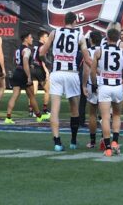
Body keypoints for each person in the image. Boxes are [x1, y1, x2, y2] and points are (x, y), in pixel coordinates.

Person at [39, 12, 92, 151]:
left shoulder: (54, 33)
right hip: (71, 74)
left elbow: (41, 52)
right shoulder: (79, 35)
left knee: (54, 110)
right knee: (74, 109)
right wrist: (98, 70)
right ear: (74, 21)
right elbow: (87, 59)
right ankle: (73, 141)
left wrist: (48, 62)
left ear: (64, 21)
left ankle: (57, 142)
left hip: (56, 73)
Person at [91, 27, 123, 157]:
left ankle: (108, 148)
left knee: (105, 117)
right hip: (117, 87)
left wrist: (94, 84)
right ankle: (115, 142)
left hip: (104, 86)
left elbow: (93, 71)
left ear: (107, 38)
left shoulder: (99, 51)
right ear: (119, 38)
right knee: (117, 115)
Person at [4, 32, 40, 124]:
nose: (32, 39)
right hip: (23, 73)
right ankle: (39, 116)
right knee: (31, 96)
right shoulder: (27, 49)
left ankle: (8, 117)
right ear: (26, 39)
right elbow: (25, 62)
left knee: (15, 95)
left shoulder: (18, 49)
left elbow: (17, 61)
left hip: (17, 72)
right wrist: (29, 77)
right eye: (30, 37)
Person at [82, 30, 103, 149]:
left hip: (92, 82)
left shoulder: (89, 51)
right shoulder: (104, 50)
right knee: (105, 113)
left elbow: (86, 70)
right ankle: (105, 139)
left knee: (92, 113)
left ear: (91, 40)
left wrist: (84, 85)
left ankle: (93, 141)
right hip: (105, 83)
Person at [31, 29, 51, 121]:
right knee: (47, 90)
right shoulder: (43, 46)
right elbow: (42, 59)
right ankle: (45, 109)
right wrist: (46, 71)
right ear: (42, 38)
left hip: (32, 68)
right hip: (39, 69)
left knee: (33, 92)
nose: (47, 38)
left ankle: (31, 110)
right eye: (46, 37)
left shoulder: (34, 45)